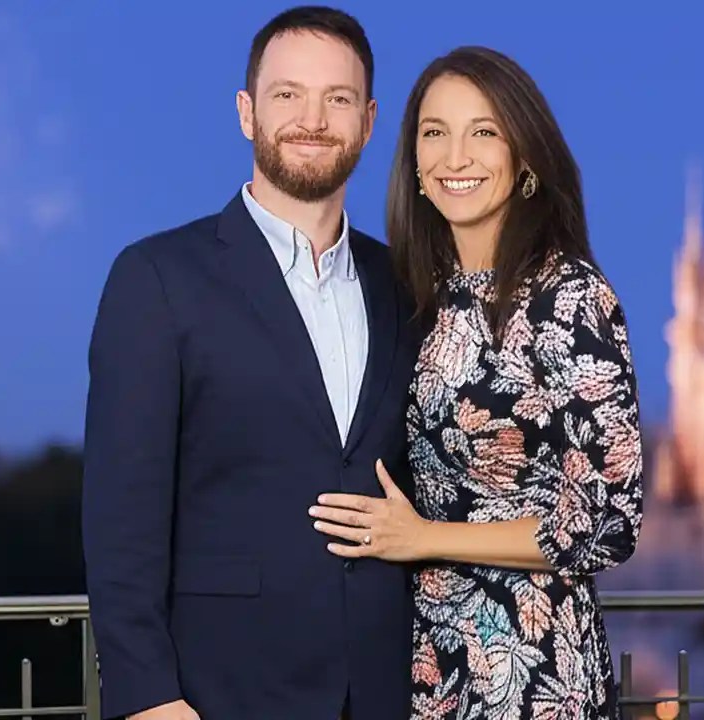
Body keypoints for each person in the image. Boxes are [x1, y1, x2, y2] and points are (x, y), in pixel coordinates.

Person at [81, 6, 420, 720]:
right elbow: (120, 517)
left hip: (388, 690)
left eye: (338, 99)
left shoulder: (406, 286)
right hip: (220, 695)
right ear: (246, 112)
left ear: (368, 120)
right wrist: (149, 699)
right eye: (287, 94)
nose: (312, 118)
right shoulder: (157, 278)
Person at [309, 46, 643, 719]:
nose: (455, 157)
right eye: (435, 133)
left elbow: (609, 523)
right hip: (431, 656)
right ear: (416, 166)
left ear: (524, 160)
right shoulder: (425, 301)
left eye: (483, 132)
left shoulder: (566, 296)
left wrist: (425, 537)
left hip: (531, 662)